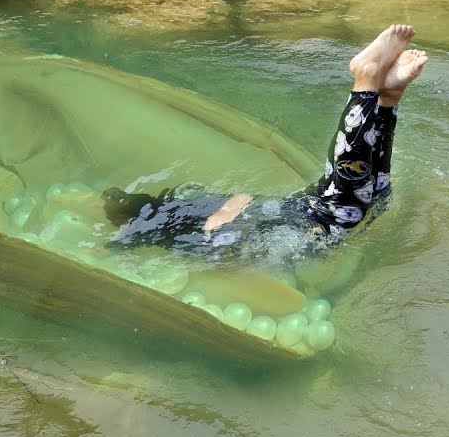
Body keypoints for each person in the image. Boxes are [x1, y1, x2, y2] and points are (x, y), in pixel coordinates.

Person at [102, 24, 427, 264]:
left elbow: (237, 211)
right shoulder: (187, 211)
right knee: (377, 190)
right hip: (283, 216)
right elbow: (240, 200)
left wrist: (230, 229)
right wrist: (231, 222)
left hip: (289, 224)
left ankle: (366, 81)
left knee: (345, 209)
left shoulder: (172, 230)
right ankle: (387, 98)